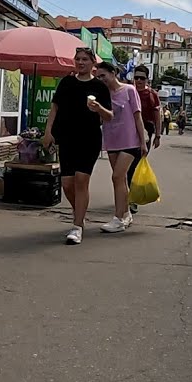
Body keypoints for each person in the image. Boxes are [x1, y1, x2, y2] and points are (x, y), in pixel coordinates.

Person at [42, 47, 112, 245]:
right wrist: (48, 132)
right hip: (66, 137)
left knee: (81, 180)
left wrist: (99, 108)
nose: (80, 62)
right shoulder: (67, 82)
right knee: (67, 184)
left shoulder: (99, 87)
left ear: (92, 63)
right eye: (78, 59)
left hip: (89, 139)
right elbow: (54, 107)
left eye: (85, 59)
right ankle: (79, 212)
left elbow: (109, 116)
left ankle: (77, 226)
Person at [93, 61, 147, 232]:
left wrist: (143, 141)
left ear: (113, 73)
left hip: (130, 141)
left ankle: (118, 218)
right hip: (111, 141)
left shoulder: (129, 90)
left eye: (103, 75)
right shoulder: (102, 95)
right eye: (98, 77)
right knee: (120, 179)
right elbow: (103, 118)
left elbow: (137, 116)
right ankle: (126, 214)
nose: (101, 79)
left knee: (117, 176)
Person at [130, 65, 161, 214]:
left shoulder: (151, 95)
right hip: (129, 132)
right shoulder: (129, 91)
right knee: (127, 166)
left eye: (142, 78)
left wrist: (158, 136)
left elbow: (157, 117)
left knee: (136, 164)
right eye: (136, 78)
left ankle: (133, 198)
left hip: (146, 133)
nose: (139, 81)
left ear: (147, 79)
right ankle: (128, 196)